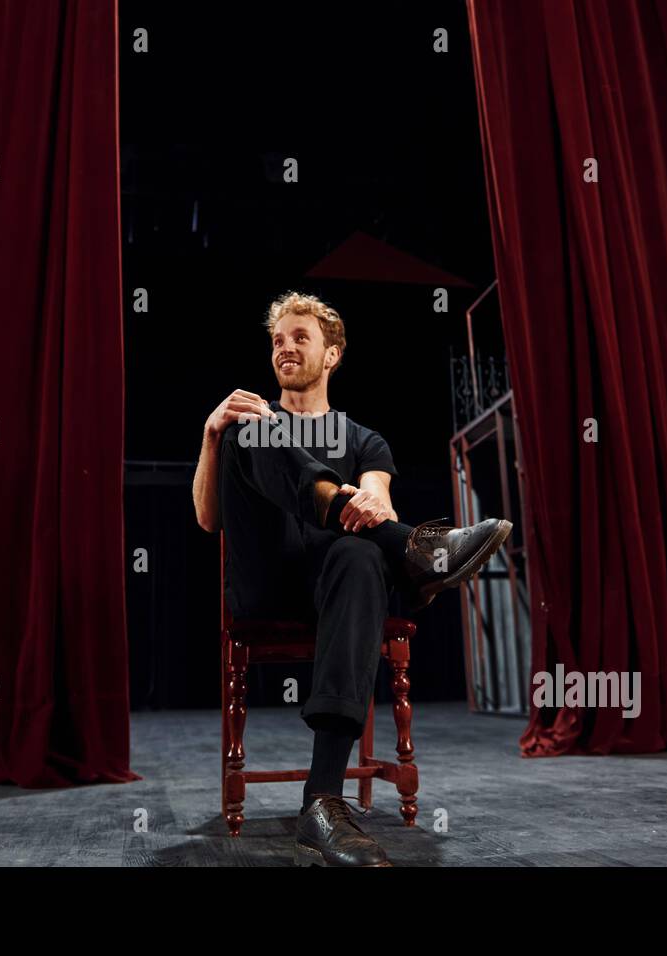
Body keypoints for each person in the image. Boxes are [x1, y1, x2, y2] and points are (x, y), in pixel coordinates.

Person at [192, 291, 511, 867]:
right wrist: (212, 435)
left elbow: (378, 502)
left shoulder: (364, 440)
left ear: (332, 354)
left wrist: (365, 509)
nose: (284, 347)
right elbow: (208, 518)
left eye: (299, 338)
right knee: (252, 425)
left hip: (336, 592)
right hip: (266, 580)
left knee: (362, 556)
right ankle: (422, 552)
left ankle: (322, 802)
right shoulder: (247, 422)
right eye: (277, 340)